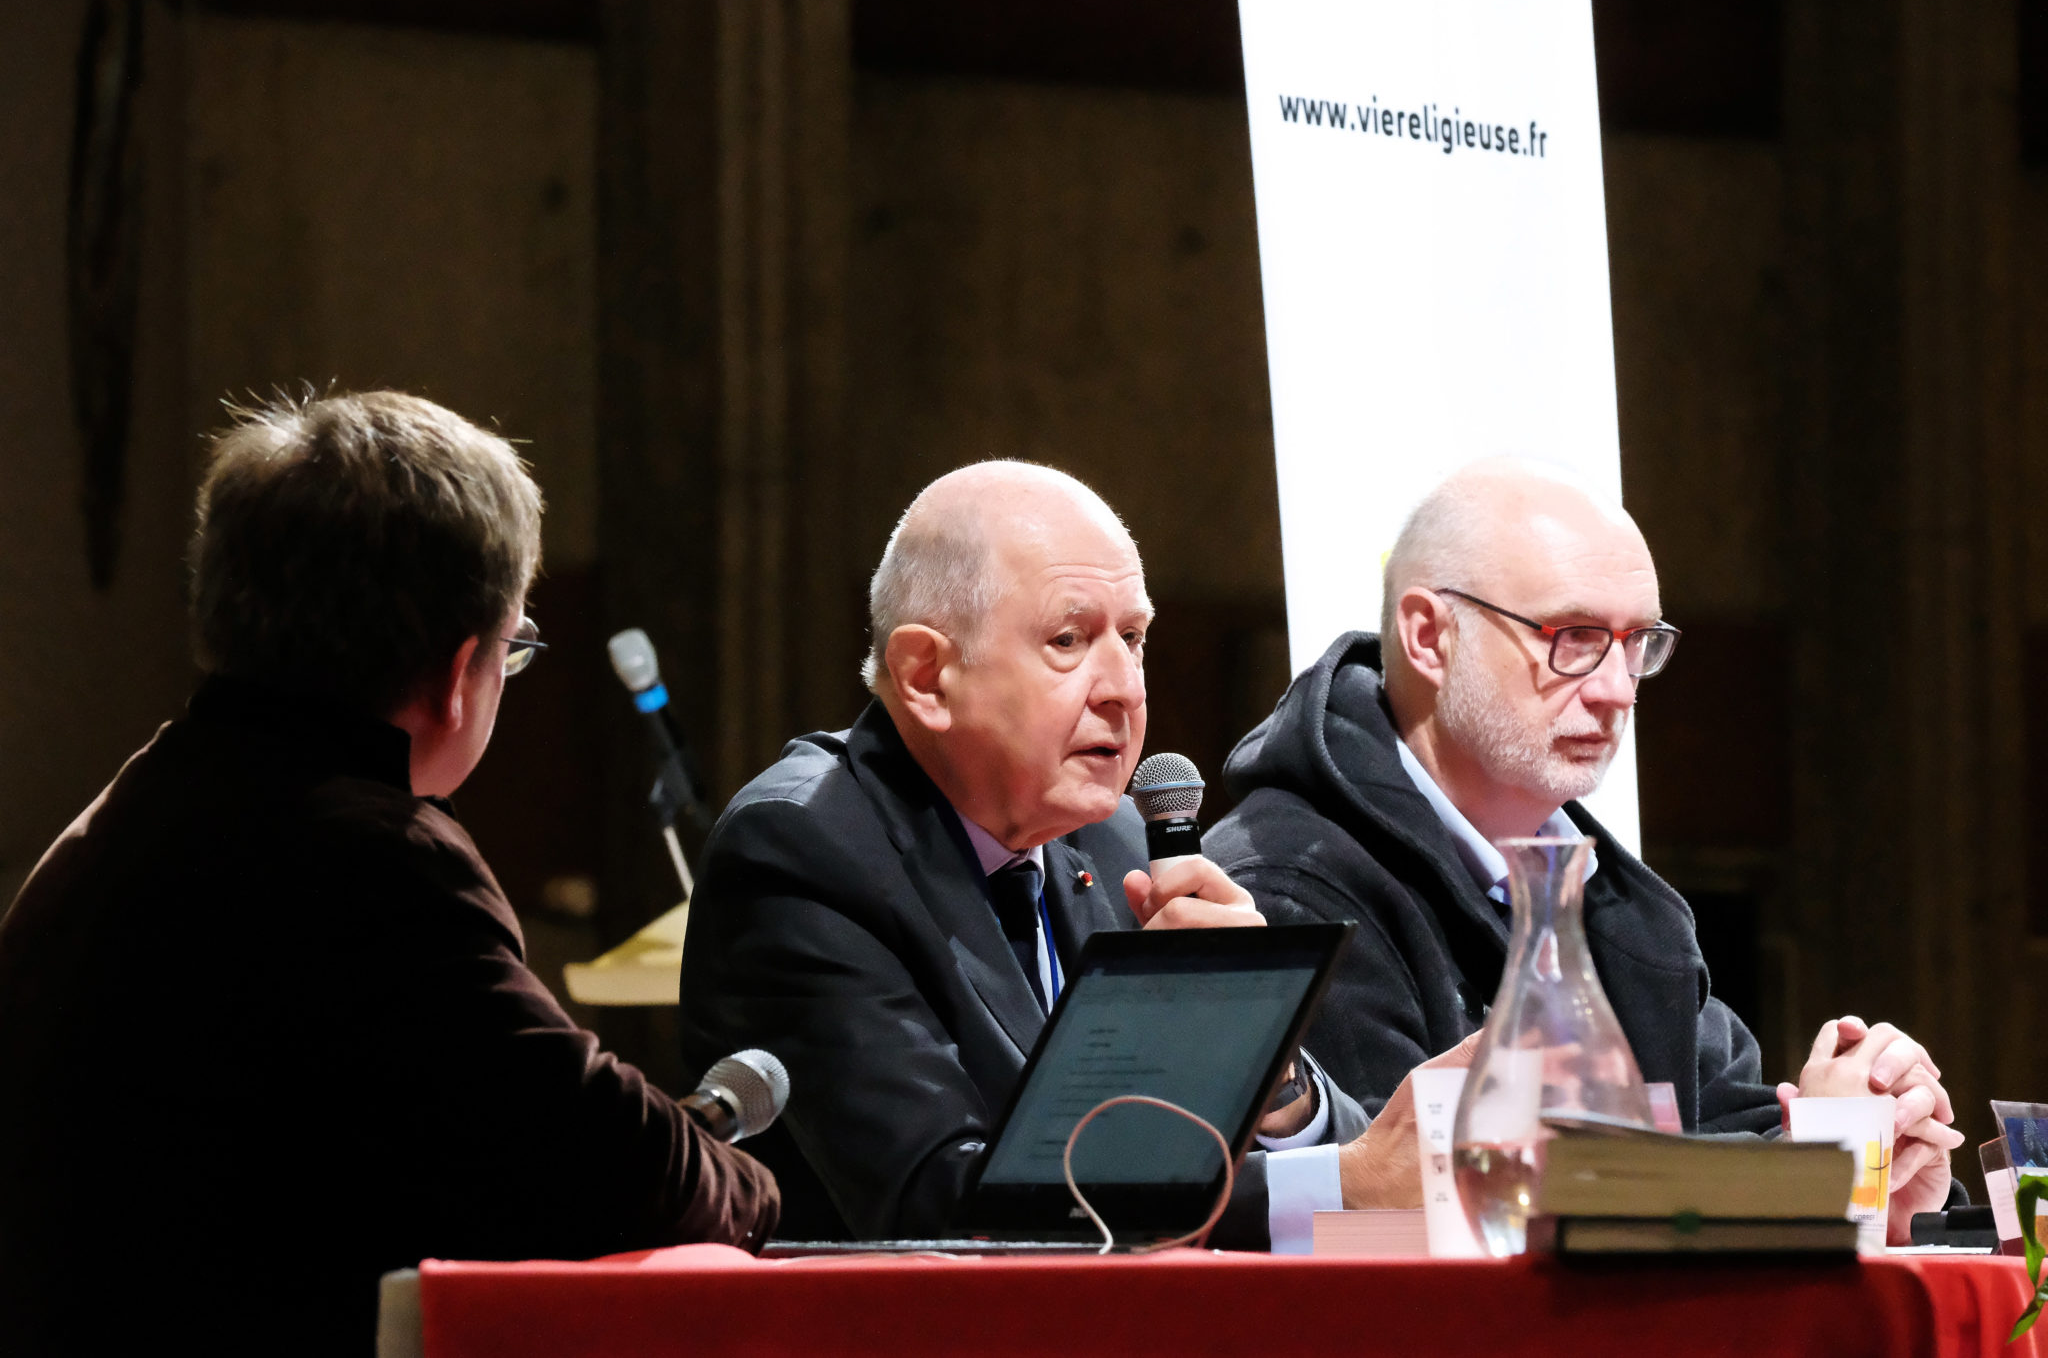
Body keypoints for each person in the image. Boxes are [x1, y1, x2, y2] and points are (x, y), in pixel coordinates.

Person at [0, 392, 778, 1357]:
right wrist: (751, 1181)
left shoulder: (143, 801)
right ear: (461, 673)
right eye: (514, 652)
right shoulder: (372, 857)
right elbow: (626, 1175)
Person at [677, 461, 1459, 1252]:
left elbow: (1367, 1180)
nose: (1123, 687)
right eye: (1068, 640)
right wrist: (1329, 1186)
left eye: (1134, 638)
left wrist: (1267, 1073)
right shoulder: (801, 850)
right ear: (926, 676)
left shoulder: (1115, 837)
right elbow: (941, 1212)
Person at [1203, 458, 1963, 1242]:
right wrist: (1814, 1164)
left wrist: (1872, 1165)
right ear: (1429, 636)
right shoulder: (1284, 888)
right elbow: (1430, 1216)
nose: (1615, 689)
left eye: (1637, 643)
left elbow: (1726, 1127)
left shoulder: (1623, 905)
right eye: (1574, 638)